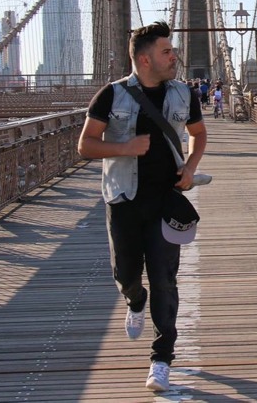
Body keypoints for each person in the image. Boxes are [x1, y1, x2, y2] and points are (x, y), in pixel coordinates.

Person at [78, 21, 207, 392]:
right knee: (127, 274)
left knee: (165, 279)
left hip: (166, 201)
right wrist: (124, 148)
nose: (174, 56)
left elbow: (198, 134)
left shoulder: (184, 94)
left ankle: (161, 359)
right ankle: (135, 300)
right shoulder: (111, 95)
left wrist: (190, 167)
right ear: (145, 59)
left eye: (173, 50)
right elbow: (85, 145)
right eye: (167, 51)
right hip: (123, 199)